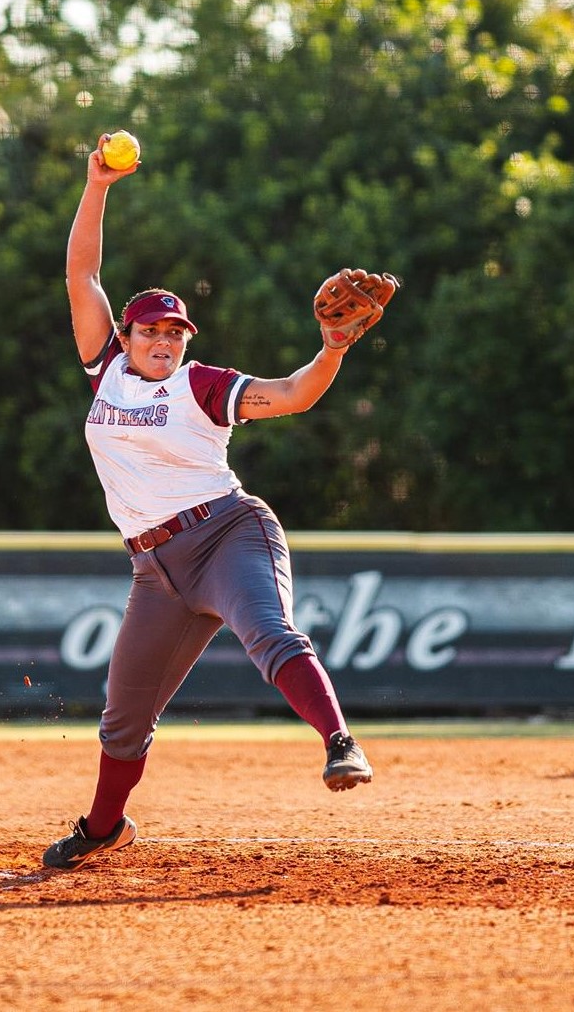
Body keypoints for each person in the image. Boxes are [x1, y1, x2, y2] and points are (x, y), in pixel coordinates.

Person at [41, 135, 380, 871]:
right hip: (154, 570)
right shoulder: (106, 373)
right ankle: (102, 828)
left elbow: (292, 396)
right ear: (123, 335)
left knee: (267, 633)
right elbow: (81, 271)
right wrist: (96, 185)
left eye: (174, 331)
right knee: (123, 719)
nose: (163, 340)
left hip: (226, 534)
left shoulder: (199, 384)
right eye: (151, 330)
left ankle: (339, 743)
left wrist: (331, 349)